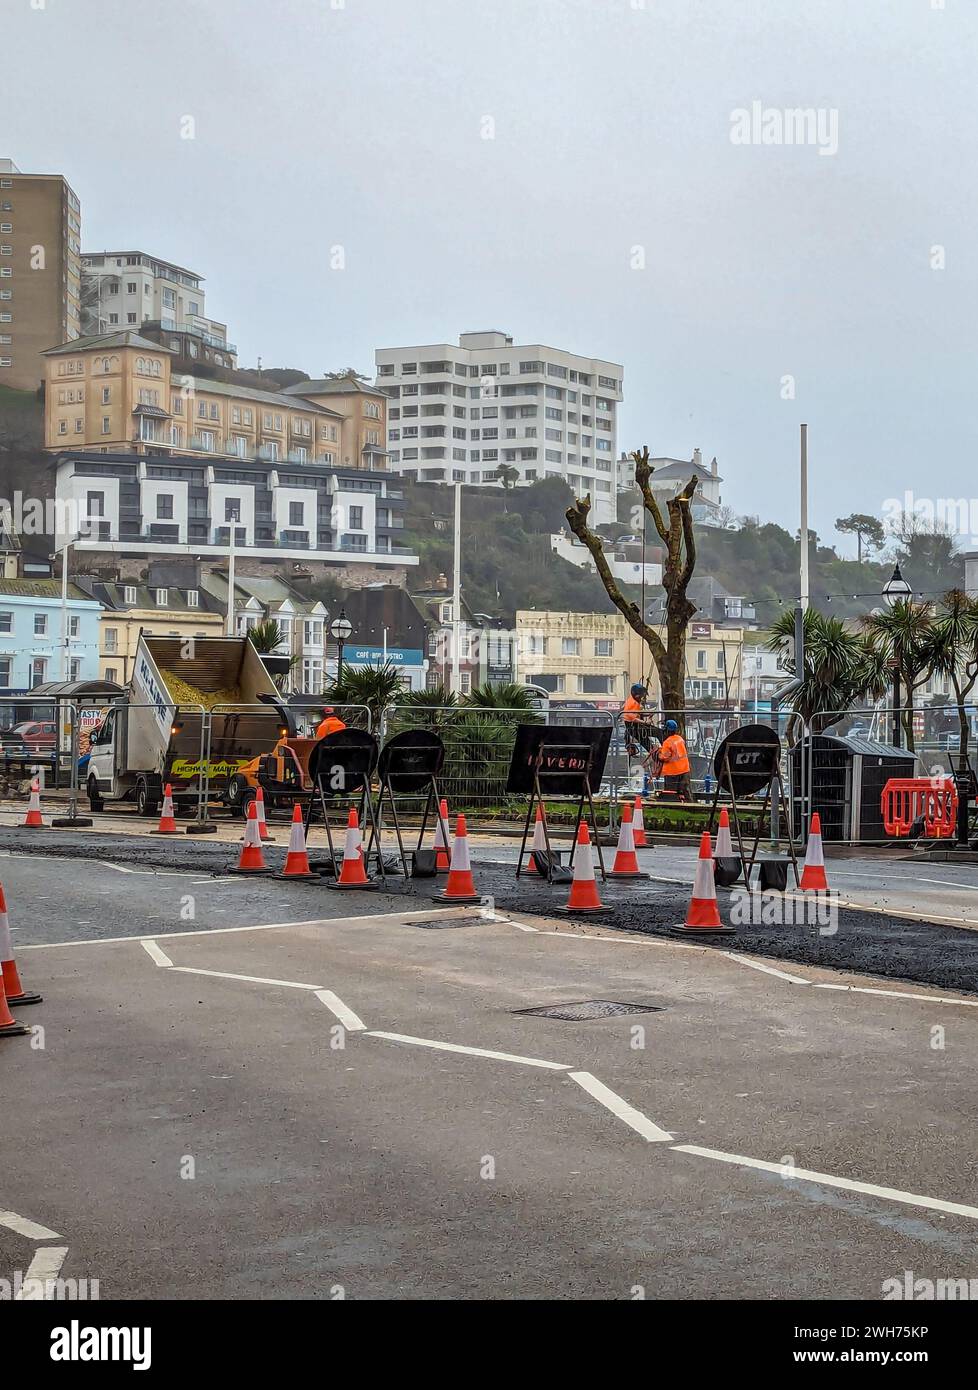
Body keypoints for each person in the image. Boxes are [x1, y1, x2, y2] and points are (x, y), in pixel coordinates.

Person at [655, 719, 691, 801]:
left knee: (671, 793)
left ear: (667, 730)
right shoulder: (680, 739)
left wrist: (659, 754)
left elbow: (664, 757)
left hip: (672, 772)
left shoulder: (667, 742)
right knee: (684, 791)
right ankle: (688, 806)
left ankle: (672, 807)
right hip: (684, 769)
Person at [622, 682, 650, 756]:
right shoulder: (633, 702)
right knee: (649, 740)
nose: (641, 697)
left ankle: (654, 752)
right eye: (640, 695)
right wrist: (644, 722)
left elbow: (637, 713)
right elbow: (633, 718)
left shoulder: (633, 701)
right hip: (632, 725)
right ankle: (655, 753)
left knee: (647, 742)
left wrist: (648, 714)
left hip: (634, 725)